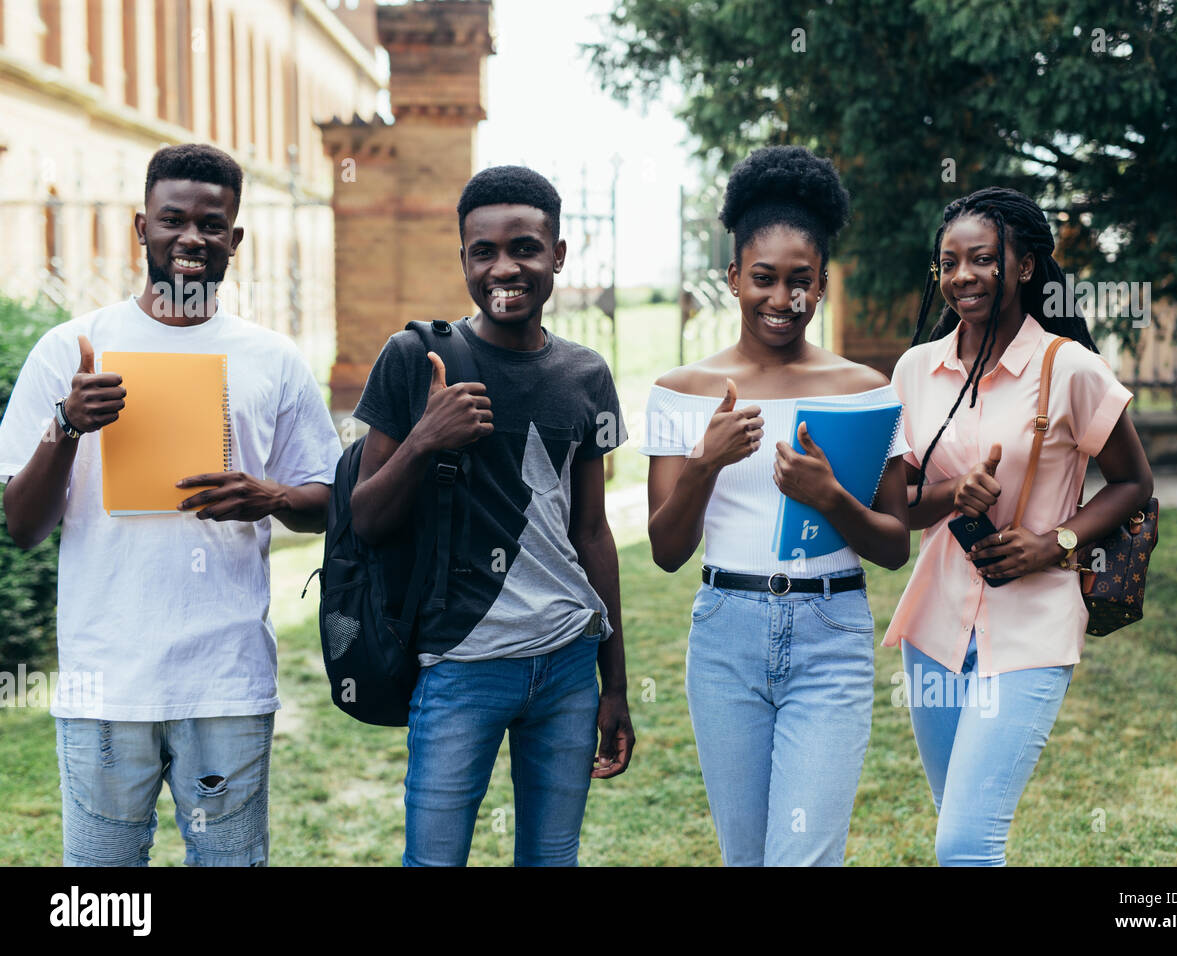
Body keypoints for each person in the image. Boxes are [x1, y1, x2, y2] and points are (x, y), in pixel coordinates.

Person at [0, 143, 342, 866]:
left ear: (234, 239)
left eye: (211, 224)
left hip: (226, 677)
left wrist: (267, 496)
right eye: (172, 220)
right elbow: (22, 526)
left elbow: (328, 500)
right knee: (103, 896)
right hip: (105, 681)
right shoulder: (72, 349)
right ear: (141, 229)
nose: (191, 237)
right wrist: (66, 425)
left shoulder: (271, 358)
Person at [349, 165, 634, 867]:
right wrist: (425, 438)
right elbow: (364, 518)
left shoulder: (586, 375)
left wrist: (615, 684)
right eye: (485, 251)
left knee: (551, 858)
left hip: (567, 663)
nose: (505, 266)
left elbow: (592, 532)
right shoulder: (416, 358)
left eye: (526, 247)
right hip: (460, 664)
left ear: (558, 255)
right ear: (464, 261)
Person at [641, 145, 910, 866]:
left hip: (832, 633)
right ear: (733, 278)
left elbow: (893, 543)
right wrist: (706, 463)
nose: (781, 299)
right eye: (763, 278)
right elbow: (667, 550)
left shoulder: (867, 389)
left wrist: (830, 499)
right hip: (726, 635)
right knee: (747, 858)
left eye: (802, 282)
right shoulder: (682, 391)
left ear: (822, 286)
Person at [886, 186, 1155, 866]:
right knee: (959, 828)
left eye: (982, 259)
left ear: (1026, 267)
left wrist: (1055, 541)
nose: (962, 277)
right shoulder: (916, 370)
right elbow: (900, 505)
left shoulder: (1070, 369)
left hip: (1031, 628)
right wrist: (952, 493)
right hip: (935, 629)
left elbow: (1134, 483)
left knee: (965, 845)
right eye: (948, 263)